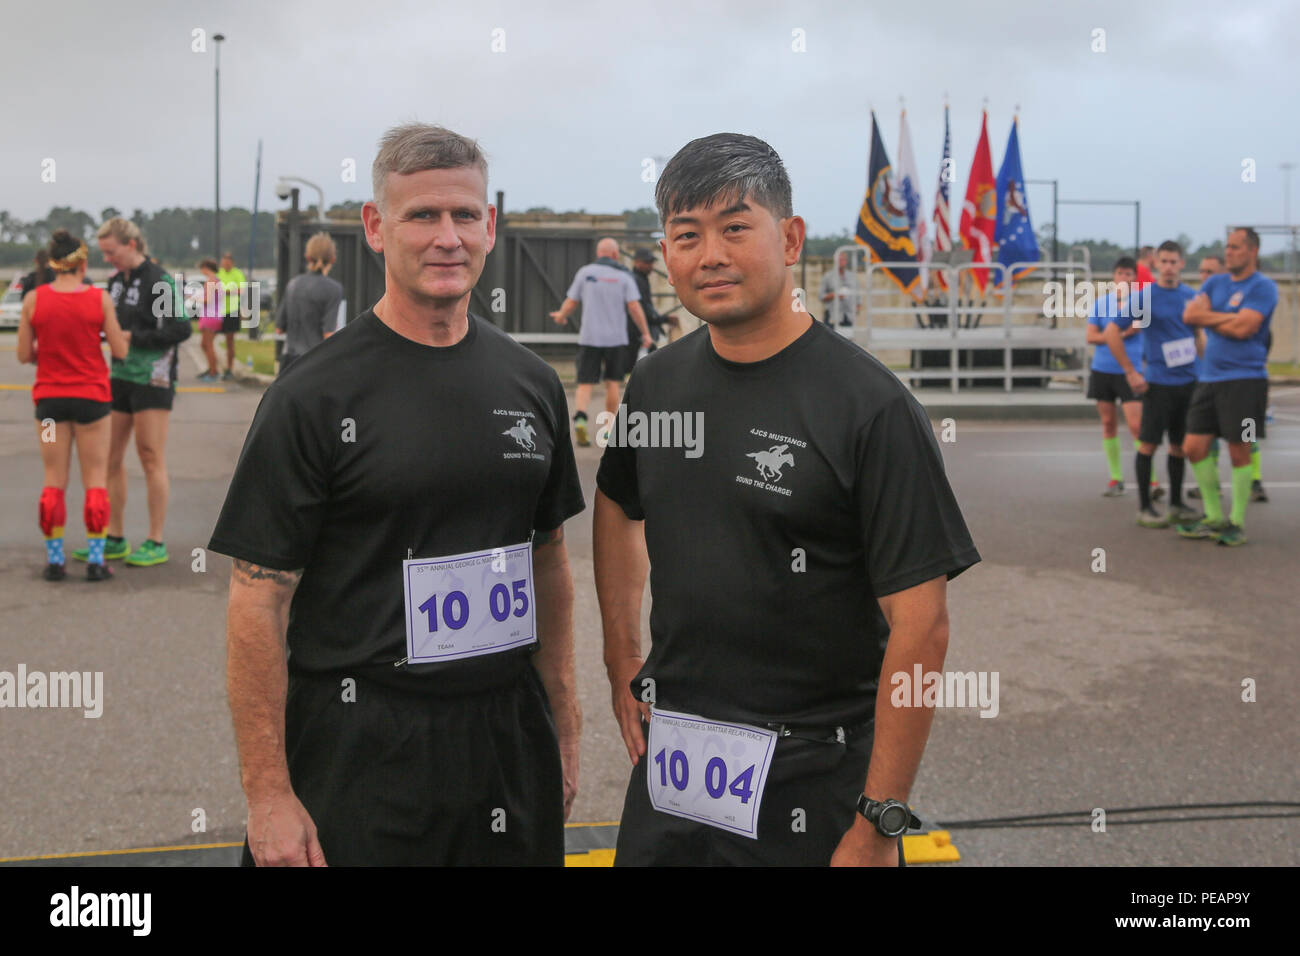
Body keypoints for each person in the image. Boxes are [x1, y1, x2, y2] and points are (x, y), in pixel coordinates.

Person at [594, 133, 980, 866]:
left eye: (736, 228)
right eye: (687, 235)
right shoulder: (656, 386)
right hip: (676, 767)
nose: (710, 254)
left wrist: (878, 823)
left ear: (791, 237)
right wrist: (621, 657)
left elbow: (921, 628)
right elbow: (618, 504)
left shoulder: (868, 407)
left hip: (816, 774)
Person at [208, 122, 585, 866]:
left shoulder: (533, 384)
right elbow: (257, 603)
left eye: (464, 215)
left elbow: (549, 563)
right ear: (376, 229)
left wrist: (564, 725)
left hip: (504, 737)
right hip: (362, 744)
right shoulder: (311, 396)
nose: (447, 237)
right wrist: (268, 794)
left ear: (490, 227)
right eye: (422, 216)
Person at [70, 218, 189, 569]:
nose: (108, 259)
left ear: (132, 245)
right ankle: (115, 536)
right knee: (110, 458)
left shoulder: (159, 280)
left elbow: (180, 328)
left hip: (153, 379)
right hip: (119, 376)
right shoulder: (115, 282)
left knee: (150, 455)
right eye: (103, 253)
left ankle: (155, 540)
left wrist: (133, 338)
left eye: (111, 252)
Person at [16, 230, 128, 581]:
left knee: (54, 479)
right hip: (91, 401)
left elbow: (23, 354)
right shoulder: (99, 299)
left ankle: (55, 561)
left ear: (53, 263)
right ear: (83, 263)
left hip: (50, 403)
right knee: (95, 478)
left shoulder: (34, 299)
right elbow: (120, 351)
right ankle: (96, 561)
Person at [1175, 227, 1276, 546]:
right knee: (1193, 447)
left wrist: (1211, 317)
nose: (1229, 252)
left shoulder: (1263, 287)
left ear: (1252, 251)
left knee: (1239, 449)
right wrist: (1226, 318)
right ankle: (1213, 515)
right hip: (1210, 379)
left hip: (1246, 382)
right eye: (1227, 247)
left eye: (1235, 247)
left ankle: (1236, 522)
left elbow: (1245, 328)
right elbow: (1190, 314)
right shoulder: (1214, 282)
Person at [1100, 240, 1199, 528]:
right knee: (1148, 445)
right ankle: (1144, 508)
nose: (1168, 267)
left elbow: (1199, 336)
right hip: (1157, 384)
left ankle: (1177, 503)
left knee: (1179, 447)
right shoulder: (1145, 297)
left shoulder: (1191, 296)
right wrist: (1131, 372)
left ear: (1182, 264)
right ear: (1155, 264)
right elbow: (1111, 332)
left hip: (1189, 383)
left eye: (1173, 261)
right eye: (1163, 261)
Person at [550, 238, 651, 446]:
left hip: (589, 338)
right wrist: (646, 333)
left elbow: (571, 302)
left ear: (598, 254)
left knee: (585, 382)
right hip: (615, 339)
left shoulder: (585, 273)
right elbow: (635, 308)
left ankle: (580, 417)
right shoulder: (623, 276)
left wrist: (561, 315)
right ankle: (607, 429)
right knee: (613, 382)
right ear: (615, 254)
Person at [1085, 257, 1159, 499]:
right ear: (1113, 277)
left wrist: (1117, 333)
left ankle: (1152, 480)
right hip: (1103, 371)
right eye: (1120, 273)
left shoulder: (1140, 305)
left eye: (1129, 274)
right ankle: (1116, 478)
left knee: (1137, 427)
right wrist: (1117, 334)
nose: (1124, 278)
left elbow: (1140, 333)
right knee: (1108, 424)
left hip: (1131, 371)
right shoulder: (1100, 303)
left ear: (1134, 279)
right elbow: (1091, 336)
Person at [274, 232, 345, 377]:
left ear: (307, 258)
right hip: (315, 363)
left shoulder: (293, 284)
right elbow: (328, 334)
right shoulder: (333, 289)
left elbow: (279, 329)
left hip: (288, 363)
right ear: (333, 259)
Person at [624, 247, 676, 373]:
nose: (651, 266)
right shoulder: (635, 280)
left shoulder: (641, 279)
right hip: (635, 331)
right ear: (637, 262)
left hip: (639, 330)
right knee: (638, 368)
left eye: (652, 262)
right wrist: (664, 319)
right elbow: (641, 308)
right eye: (647, 262)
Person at [217, 251, 246, 381]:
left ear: (232, 263)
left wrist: (227, 291)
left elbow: (242, 290)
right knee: (208, 339)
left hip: (232, 310)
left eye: (228, 264)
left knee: (230, 341)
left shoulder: (237, 274)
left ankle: (229, 368)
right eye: (224, 263)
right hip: (218, 310)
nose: (226, 266)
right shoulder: (219, 273)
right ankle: (213, 367)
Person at [195, 259, 224, 382]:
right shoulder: (215, 280)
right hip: (212, 315)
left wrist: (195, 298)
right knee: (204, 345)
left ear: (206, 267)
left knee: (208, 345)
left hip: (211, 316)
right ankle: (212, 368)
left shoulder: (212, 281)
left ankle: (213, 372)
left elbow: (209, 300)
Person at [818, 251, 863, 326]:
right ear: (835, 261)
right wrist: (835, 295)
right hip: (832, 316)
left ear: (846, 261)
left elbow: (858, 296)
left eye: (843, 260)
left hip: (849, 316)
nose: (841, 262)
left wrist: (857, 308)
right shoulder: (828, 276)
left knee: (847, 337)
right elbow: (821, 296)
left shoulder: (852, 277)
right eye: (839, 260)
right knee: (831, 337)